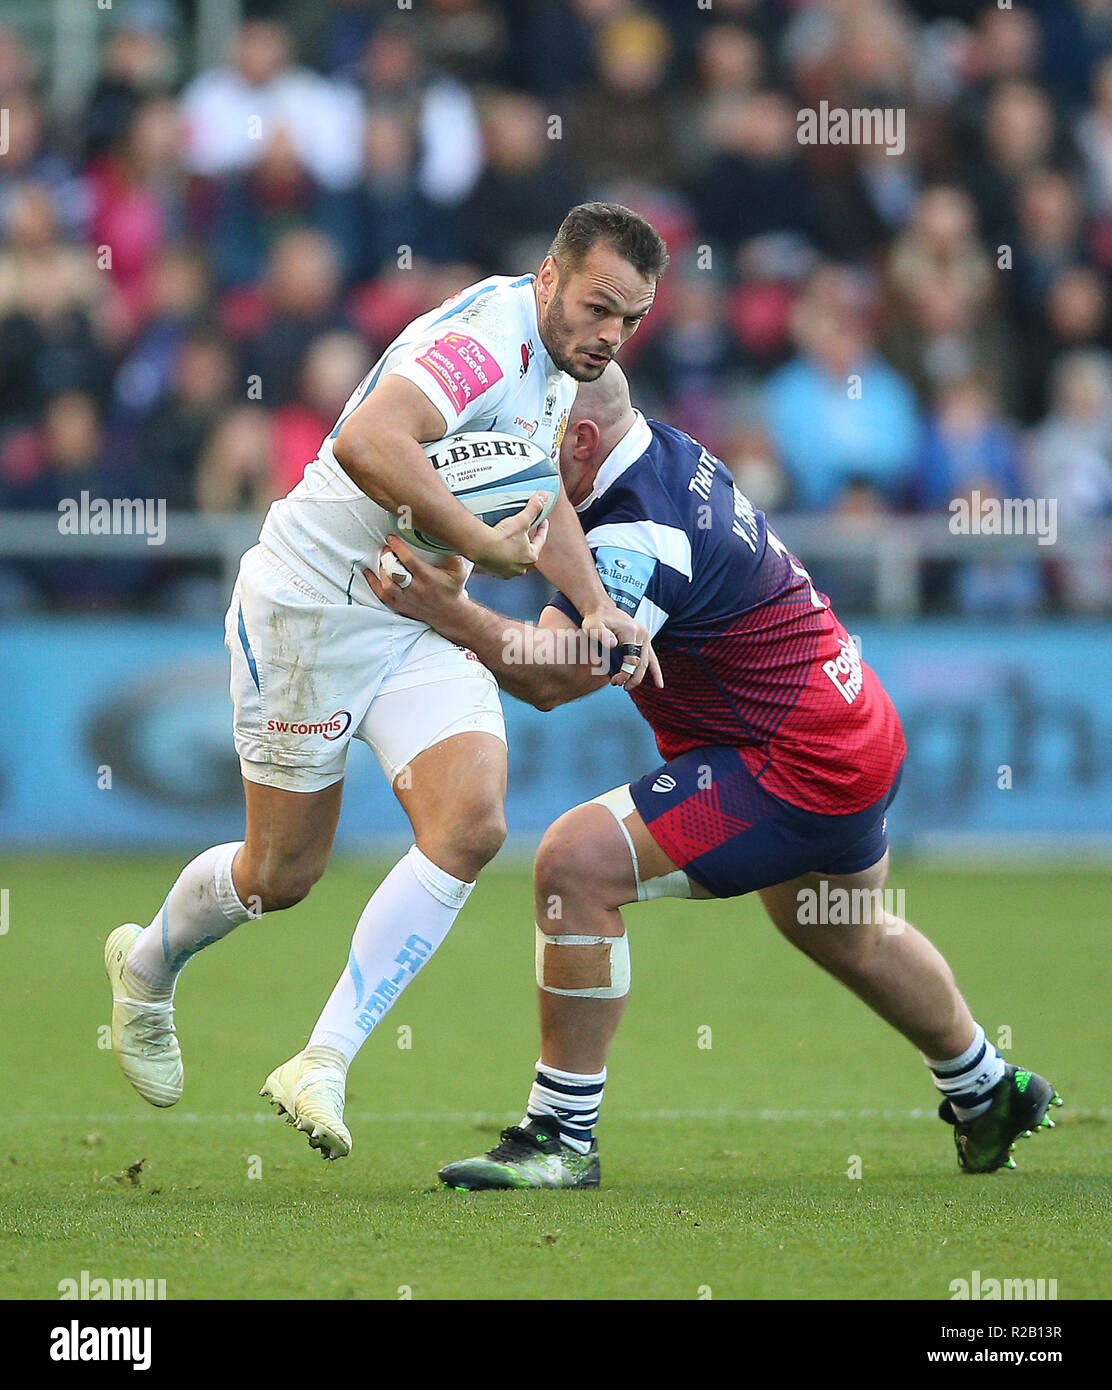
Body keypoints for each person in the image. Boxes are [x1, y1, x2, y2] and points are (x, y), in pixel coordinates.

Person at [368, 362, 1062, 1189]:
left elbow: (556, 677)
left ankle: (561, 1134)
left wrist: (445, 611)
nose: (514, 451)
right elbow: (566, 612)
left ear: (580, 440)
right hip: (851, 724)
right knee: (840, 925)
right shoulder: (652, 453)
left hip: (793, 762)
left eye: (533, 435)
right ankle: (986, 1088)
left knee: (574, 865)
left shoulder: (642, 533)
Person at [104, 203, 668, 1162]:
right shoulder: (485, 344)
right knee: (280, 875)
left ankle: (322, 1061)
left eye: (633, 320)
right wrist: (480, 541)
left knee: (472, 823)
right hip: (314, 606)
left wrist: (593, 605)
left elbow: (534, 487)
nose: (610, 336)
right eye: (598, 307)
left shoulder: (569, 366)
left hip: (415, 614)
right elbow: (369, 441)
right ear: (548, 278)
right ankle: (147, 967)